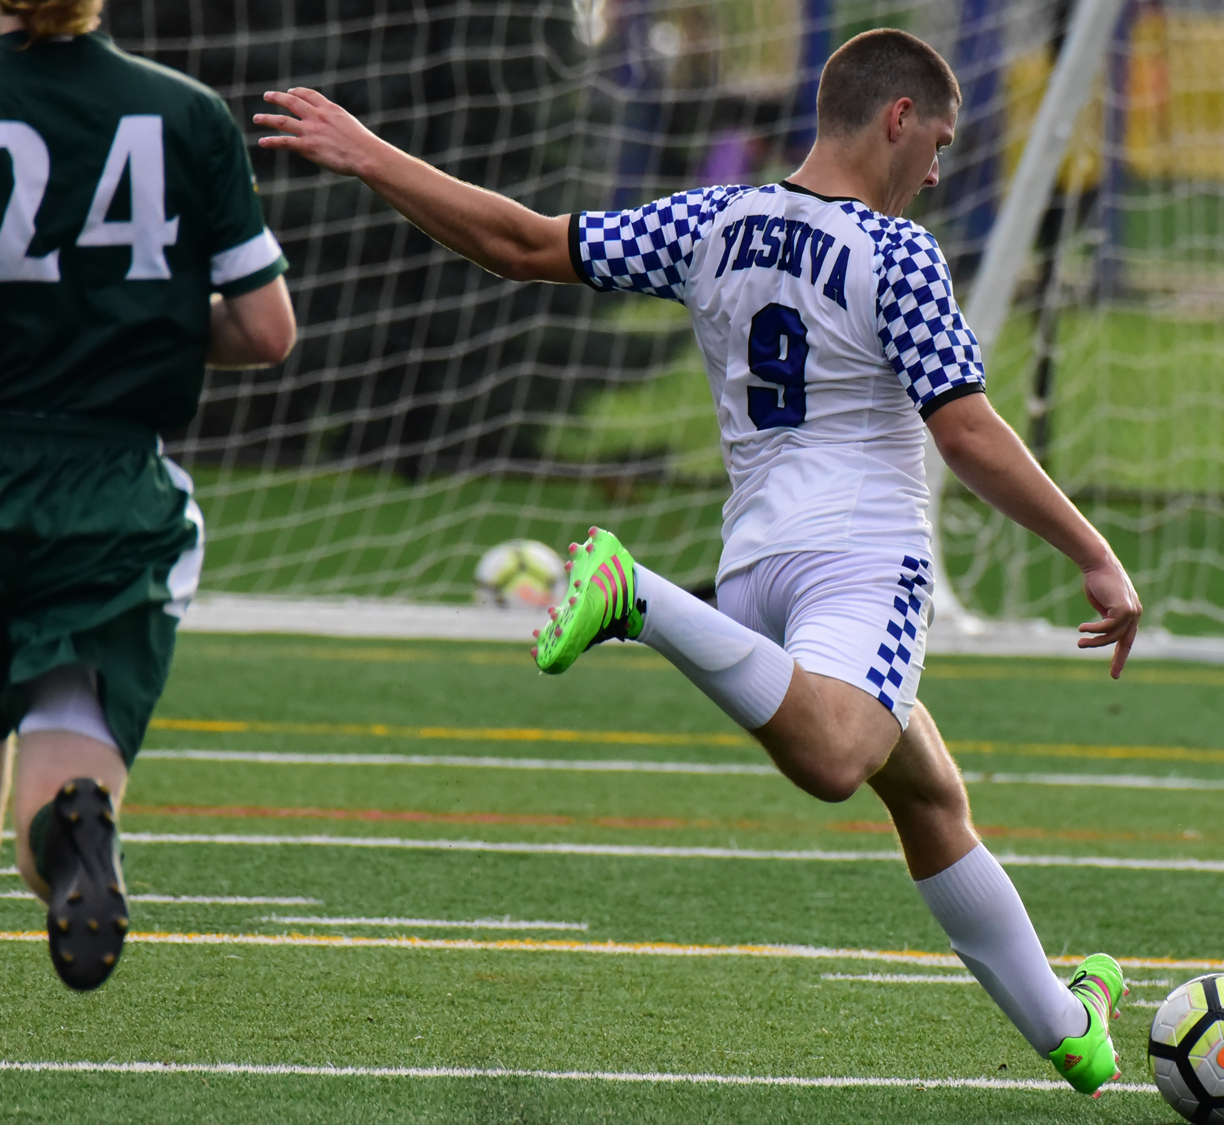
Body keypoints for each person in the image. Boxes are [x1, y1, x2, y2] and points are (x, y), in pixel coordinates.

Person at [256, 28, 1142, 1092]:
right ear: (898, 117)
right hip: (861, 564)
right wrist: (1092, 552)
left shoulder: (710, 220)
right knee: (836, 760)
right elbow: (964, 431)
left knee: (929, 796)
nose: (940, 169)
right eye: (941, 140)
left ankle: (1069, 1028)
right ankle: (635, 596)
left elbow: (525, 244)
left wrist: (373, 156)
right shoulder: (896, 253)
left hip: (756, 571)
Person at [0, 0, 295, 988]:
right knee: (62, 757)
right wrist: (148, 321)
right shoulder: (187, 112)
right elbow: (265, 331)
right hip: (110, 493)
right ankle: (74, 834)